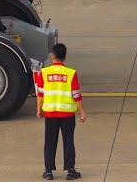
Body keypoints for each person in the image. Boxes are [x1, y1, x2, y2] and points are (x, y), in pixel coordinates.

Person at [36, 42, 86, 181]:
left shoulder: (44, 73)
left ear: (53, 57)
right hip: (67, 114)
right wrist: (82, 111)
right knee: (68, 141)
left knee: (50, 141)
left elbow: (41, 94)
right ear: (65, 57)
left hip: (50, 114)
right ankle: (70, 171)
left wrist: (39, 110)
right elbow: (76, 94)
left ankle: (48, 171)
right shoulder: (71, 73)